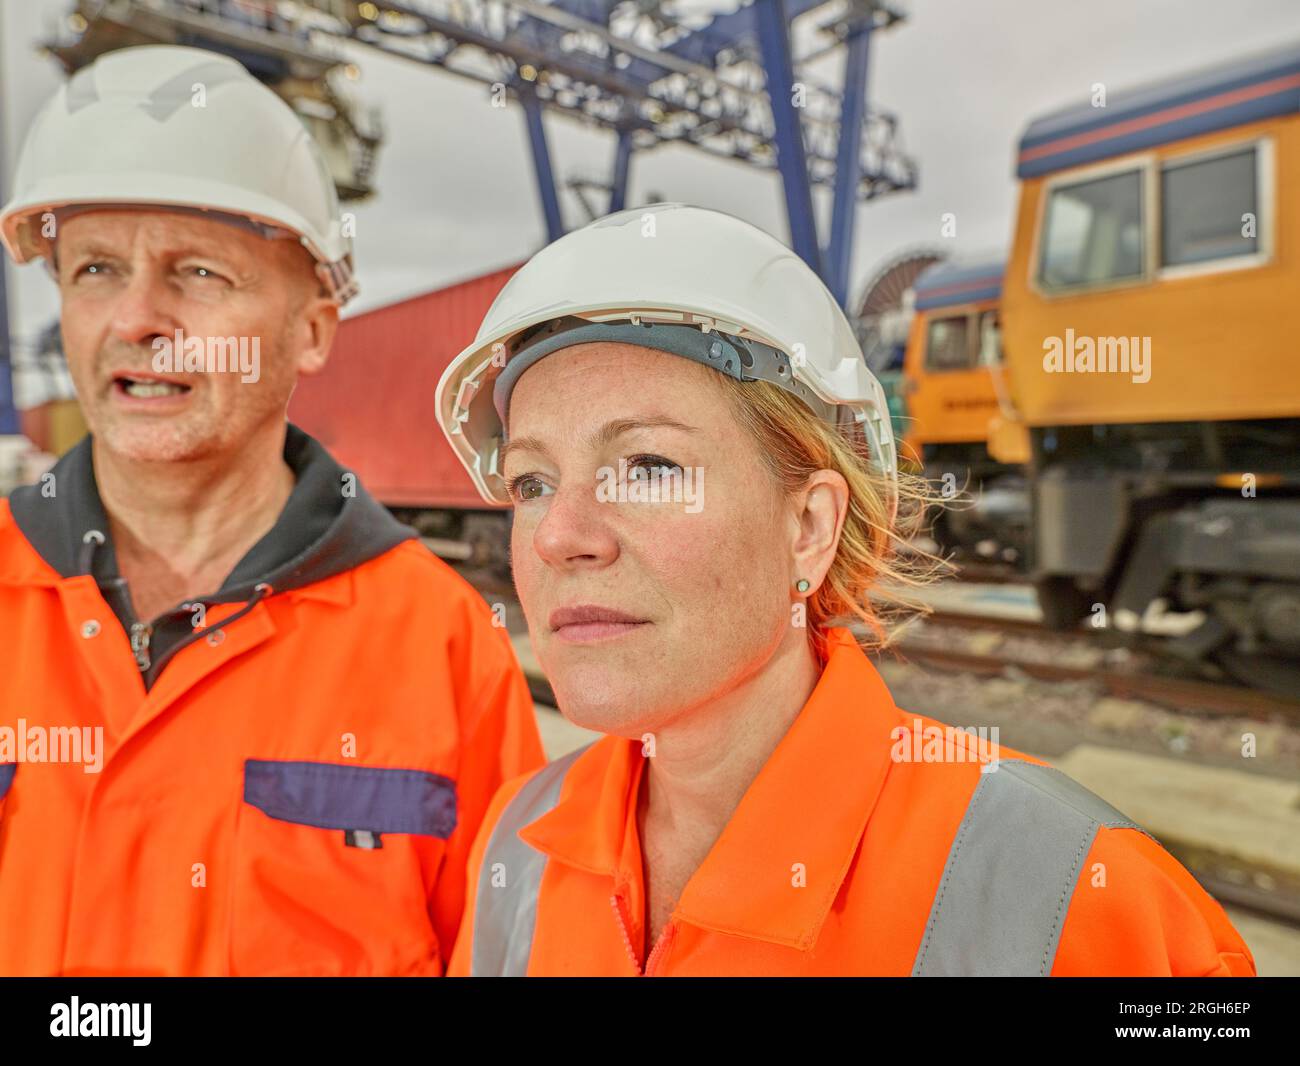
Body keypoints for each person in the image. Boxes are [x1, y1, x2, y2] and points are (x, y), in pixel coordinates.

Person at [435, 203, 1256, 976]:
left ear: (810, 528)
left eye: (649, 468)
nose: (558, 536)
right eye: (531, 483)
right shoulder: (519, 842)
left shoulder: (1086, 901)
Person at [0, 44, 544, 975]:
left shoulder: (446, 652)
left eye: (199, 272)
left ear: (313, 329)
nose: (136, 318)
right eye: (93, 270)